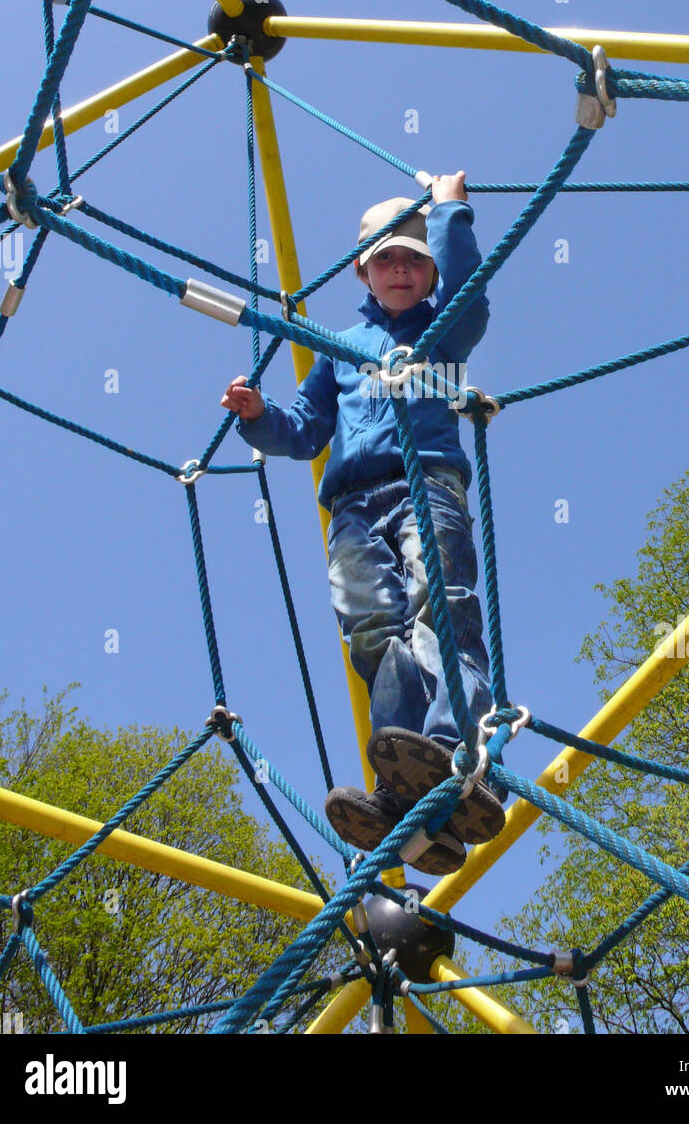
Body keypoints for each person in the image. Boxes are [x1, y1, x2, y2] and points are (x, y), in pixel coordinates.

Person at [221, 172, 504, 875]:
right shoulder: (339, 347)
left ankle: (459, 755)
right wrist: (258, 420)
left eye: (414, 259)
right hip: (351, 503)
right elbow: (306, 431)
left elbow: (471, 299)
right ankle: (405, 782)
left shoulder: (441, 331)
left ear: (431, 267)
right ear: (362, 269)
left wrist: (449, 210)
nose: (401, 271)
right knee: (372, 630)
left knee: (441, 611)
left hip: (425, 483)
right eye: (386, 259)